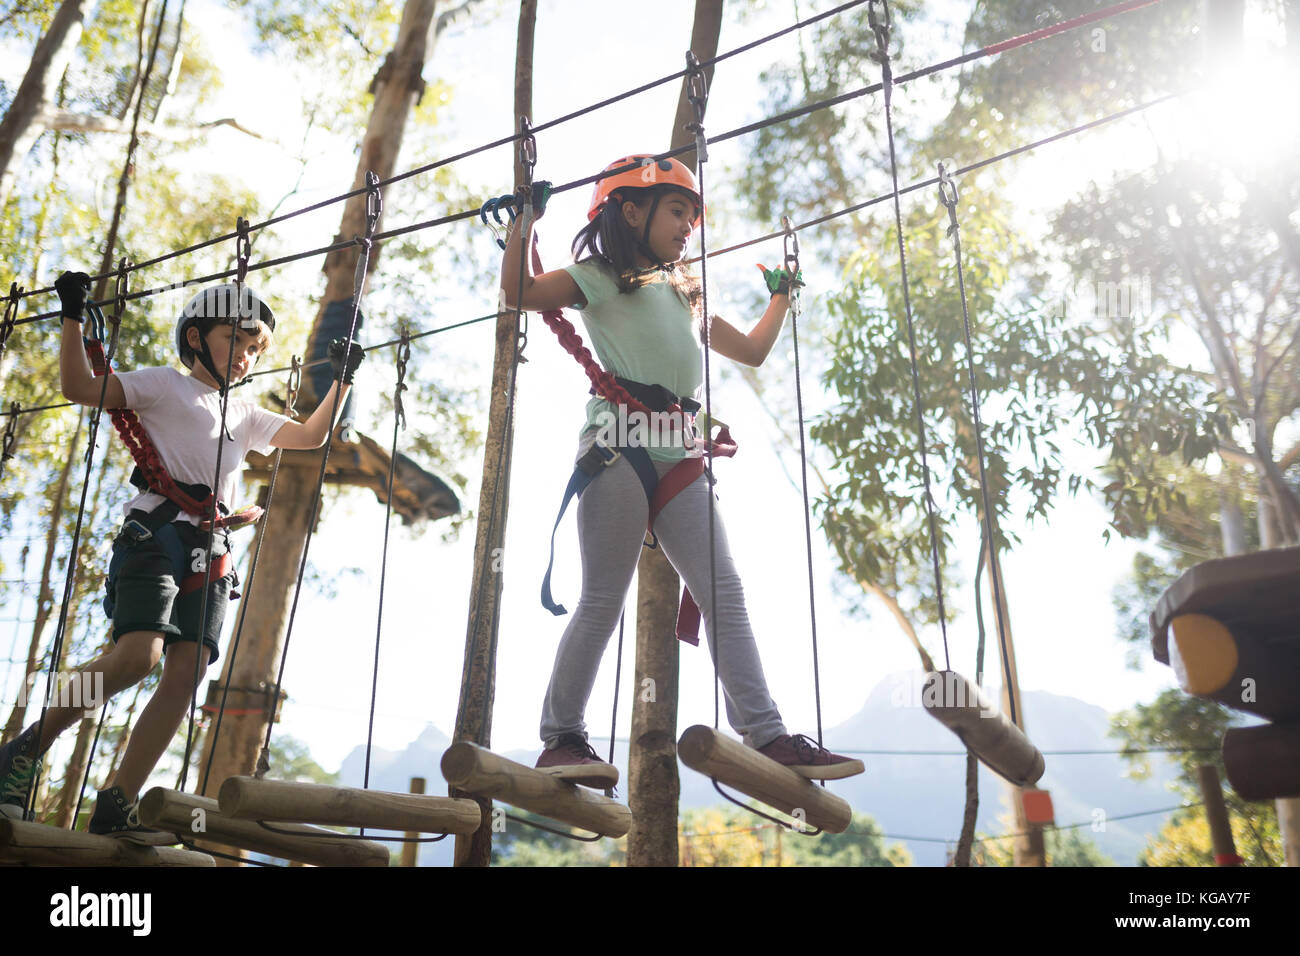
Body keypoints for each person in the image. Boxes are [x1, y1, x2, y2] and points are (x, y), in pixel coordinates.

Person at [499, 154, 864, 787]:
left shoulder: (686, 289)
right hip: (619, 449)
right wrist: (522, 223)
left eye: (693, 216)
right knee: (603, 600)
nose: (688, 225)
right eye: (677, 211)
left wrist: (780, 297)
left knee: (725, 593)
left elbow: (749, 351)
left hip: (681, 456)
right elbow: (520, 293)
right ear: (630, 212)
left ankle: (767, 734)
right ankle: (562, 739)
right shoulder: (600, 276)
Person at [0, 273, 364, 842]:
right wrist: (72, 316)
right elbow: (79, 385)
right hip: (156, 535)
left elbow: (312, 437)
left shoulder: (244, 414)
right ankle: (28, 748)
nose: (244, 357)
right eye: (234, 341)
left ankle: (117, 801)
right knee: (137, 656)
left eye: (252, 349)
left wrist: (340, 380)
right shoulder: (163, 386)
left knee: (187, 671)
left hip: (210, 550)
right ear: (195, 339)